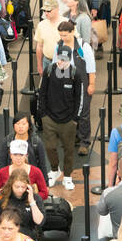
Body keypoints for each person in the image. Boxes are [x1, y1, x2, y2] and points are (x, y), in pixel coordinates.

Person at [39, 42, 87, 188]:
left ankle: (67, 176)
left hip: (68, 120)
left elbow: (80, 97)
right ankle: (54, 170)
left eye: (64, 59)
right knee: (50, 147)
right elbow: (42, 93)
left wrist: (75, 119)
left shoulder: (75, 74)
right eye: (59, 58)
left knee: (68, 149)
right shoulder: (49, 71)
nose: (60, 62)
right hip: (50, 118)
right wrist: (43, 114)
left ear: (69, 60)